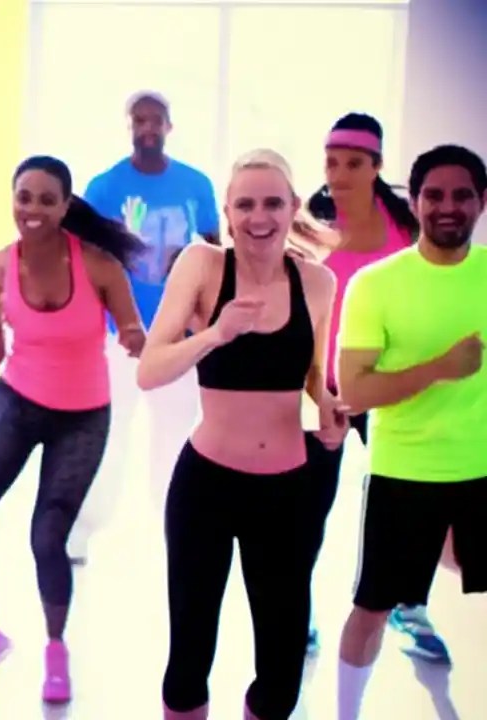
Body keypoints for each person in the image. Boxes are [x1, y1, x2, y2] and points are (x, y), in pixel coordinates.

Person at [138, 149, 342, 720]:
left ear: (293, 208)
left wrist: (328, 408)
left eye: (273, 202)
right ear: (228, 213)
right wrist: (215, 334)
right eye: (245, 204)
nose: (259, 216)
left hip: (287, 492)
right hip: (207, 487)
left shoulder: (318, 282)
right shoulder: (203, 266)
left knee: (281, 674)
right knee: (188, 660)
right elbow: (150, 370)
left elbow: (311, 376)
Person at [0, 155, 147, 702]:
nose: (32, 209)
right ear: (12, 200)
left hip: (83, 415)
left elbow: (132, 329)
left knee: (46, 538)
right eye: (23, 197)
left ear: (64, 206)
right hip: (17, 399)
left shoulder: (99, 265)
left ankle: (56, 649)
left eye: (45, 199)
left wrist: (134, 337)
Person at [334, 144, 487, 720]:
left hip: (482, 467)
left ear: (481, 202)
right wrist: (440, 369)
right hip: (405, 473)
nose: (447, 207)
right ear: (415, 201)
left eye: (461, 195)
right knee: (372, 608)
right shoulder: (376, 285)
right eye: (434, 195)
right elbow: (356, 390)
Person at [298, 113, 451, 662]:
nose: (339, 173)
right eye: (331, 161)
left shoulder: (406, 223)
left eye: (354, 163)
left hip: (391, 388)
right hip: (325, 388)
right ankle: (301, 611)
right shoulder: (309, 222)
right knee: (307, 504)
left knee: (409, 504)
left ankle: (408, 606)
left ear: (377, 167)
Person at [71, 90, 222, 564]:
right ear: (129, 126)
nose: (148, 128)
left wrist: (206, 324)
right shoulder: (105, 186)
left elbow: (216, 252)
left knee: (174, 439)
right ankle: (84, 529)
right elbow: (84, 258)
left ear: (170, 127)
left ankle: (176, 529)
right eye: (139, 120)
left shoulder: (196, 184)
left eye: (156, 120)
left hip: (179, 338)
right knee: (109, 434)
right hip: (121, 336)